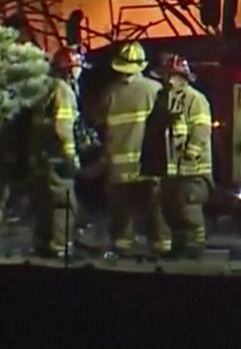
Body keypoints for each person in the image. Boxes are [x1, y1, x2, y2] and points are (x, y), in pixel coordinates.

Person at [95, 40, 169, 257]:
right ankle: (162, 249)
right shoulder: (155, 90)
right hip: (148, 166)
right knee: (156, 211)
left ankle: (122, 252)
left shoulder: (109, 93)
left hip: (117, 168)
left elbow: (100, 125)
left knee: (122, 215)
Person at [153, 53, 213, 257]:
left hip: (193, 169)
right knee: (171, 207)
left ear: (184, 77)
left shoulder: (195, 99)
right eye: (167, 75)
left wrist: (190, 154)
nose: (169, 80)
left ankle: (196, 246)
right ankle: (180, 245)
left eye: (174, 75)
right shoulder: (163, 98)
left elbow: (201, 129)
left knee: (189, 206)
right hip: (171, 168)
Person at [28, 46, 82, 257]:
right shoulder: (63, 90)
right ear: (69, 69)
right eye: (77, 67)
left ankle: (43, 243)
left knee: (45, 202)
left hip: (43, 157)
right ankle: (62, 247)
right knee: (64, 204)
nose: (79, 72)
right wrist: (71, 156)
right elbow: (63, 126)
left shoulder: (45, 88)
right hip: (58, 157)